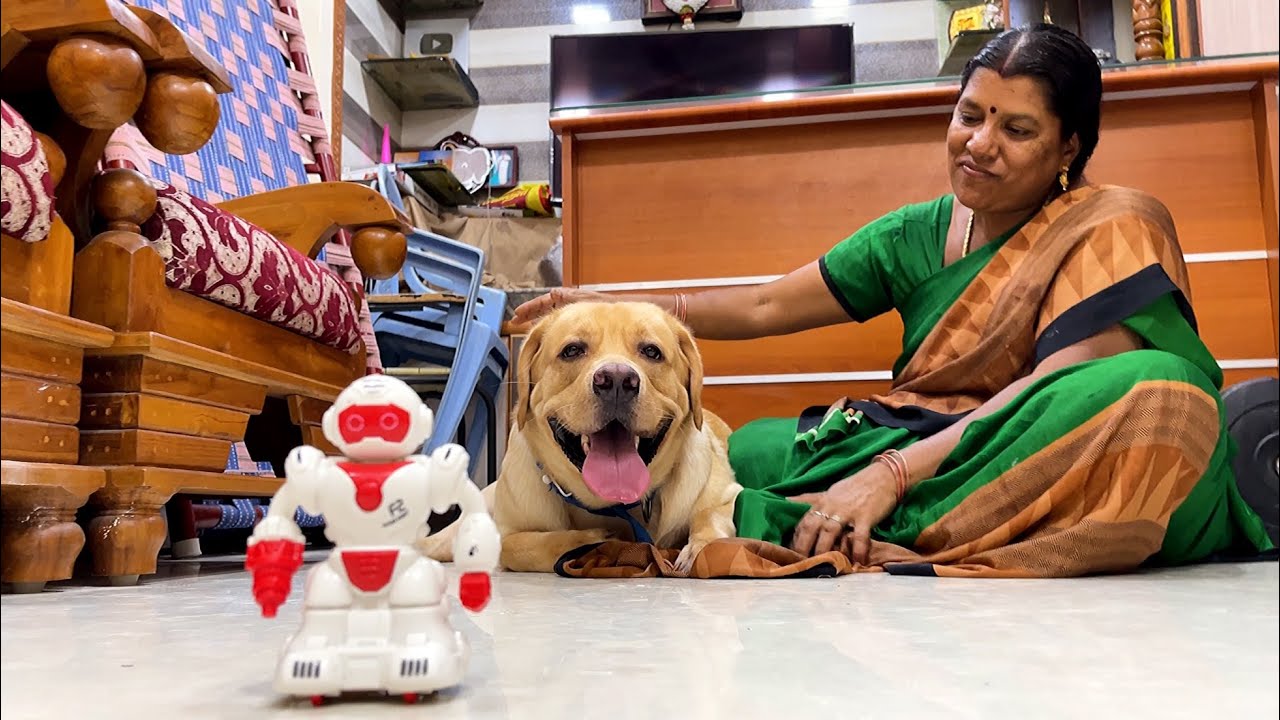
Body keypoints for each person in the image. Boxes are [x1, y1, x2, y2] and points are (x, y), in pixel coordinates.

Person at [510, 24, 1275, 577]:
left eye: (1016, 129)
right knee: (738, 451)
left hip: (1037, 439)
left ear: (1068, 147)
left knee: (1151, 393)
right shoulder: (918, 233)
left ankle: (857, 514)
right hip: (928, 430)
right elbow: (770, 307)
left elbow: (1049, 395)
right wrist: (614, 302)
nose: (978, 143)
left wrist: (892, 475)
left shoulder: (1117, 225)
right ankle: (868, 513)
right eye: (969, 116)